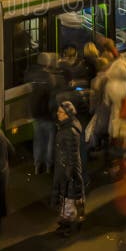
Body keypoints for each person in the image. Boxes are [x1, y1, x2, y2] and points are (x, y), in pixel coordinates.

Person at [51, 101, 84, 237]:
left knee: (69, 200)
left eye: (60, 112)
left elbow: (73, 157)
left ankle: (70, 227)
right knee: (65, 199)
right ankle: (66, 221)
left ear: (68, 114)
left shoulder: (70, 131)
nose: (57, 114)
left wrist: (69, 174)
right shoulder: (65, 127)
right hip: (64, 169)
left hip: (68, 172)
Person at [24, 53, 59, 175]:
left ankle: (38, 166)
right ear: (48, 63)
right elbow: (53, 96)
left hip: (36, 113)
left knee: (38, 140)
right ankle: (49, 166)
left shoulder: (32, 74)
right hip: (47, 114)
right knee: (50, 141)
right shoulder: (50, 78)